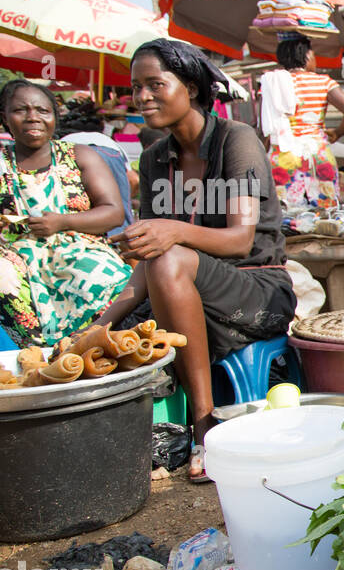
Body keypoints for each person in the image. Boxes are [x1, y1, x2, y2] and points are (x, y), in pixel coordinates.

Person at [93, 39, 296, 482]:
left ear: (189, 86)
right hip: (186, 290)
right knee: (114, 341)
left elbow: (241, 240)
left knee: (168, 261)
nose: (142, 97)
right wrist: (98, 324)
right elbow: (149, 259)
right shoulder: (153, 159)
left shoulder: (235, 140)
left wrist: (173, 231)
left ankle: (204, 424)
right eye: (136, 88)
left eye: (155, 84)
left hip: (256, 287)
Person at [0, 80, 130, 347]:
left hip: (78, 253)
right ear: (4, 118)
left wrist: (61, 222)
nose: (33, 117)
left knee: (109, 282)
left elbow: (114, 213)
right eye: (21, 110)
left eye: (42, 110)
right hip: (16, 262)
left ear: (54, 117)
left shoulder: (79, 156)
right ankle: (37, 362)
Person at [261, 32, 344, 209]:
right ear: (306, 56)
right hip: (318, 156)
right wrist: (337, 133)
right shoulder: (323, 82)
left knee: (286, 217)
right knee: (324, 216)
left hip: (283, 156)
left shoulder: (273, 82)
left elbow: (264, 127)